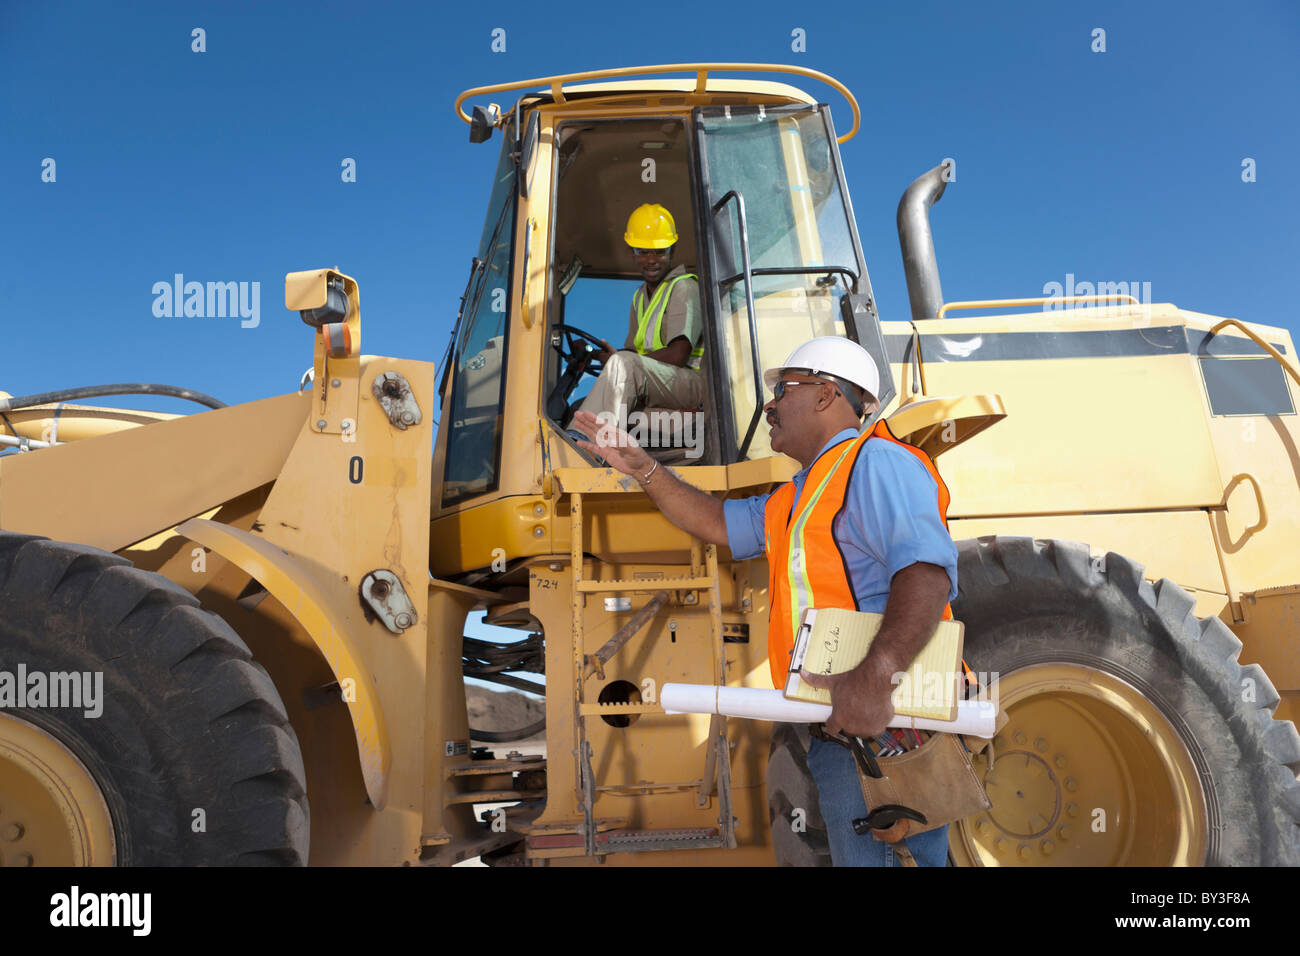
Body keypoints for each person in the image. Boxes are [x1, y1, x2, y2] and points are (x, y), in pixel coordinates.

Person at [570, 335, 959, 867]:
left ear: (826, 395)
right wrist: (643, 469)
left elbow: (926, 574)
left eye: (783, 389)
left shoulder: (878, 463)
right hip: (840, 719)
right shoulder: (797, 493)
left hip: (882, 719)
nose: (770, 404)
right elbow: (714, 522)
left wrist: (876, 677)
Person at [567, 204, 705, 445]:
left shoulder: (683, 287)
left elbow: (678, 355)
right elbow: (633, 354)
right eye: (643, 251)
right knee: (579, 409)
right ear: (632, 252)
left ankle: (583, 448)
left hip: (690, 382)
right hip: (658, 380)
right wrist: (601, 356)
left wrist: (620, 361)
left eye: (659, 252)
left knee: (624, 364)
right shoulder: (640, 297)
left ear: (673, 250)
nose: (651, 260)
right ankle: (583, 439)